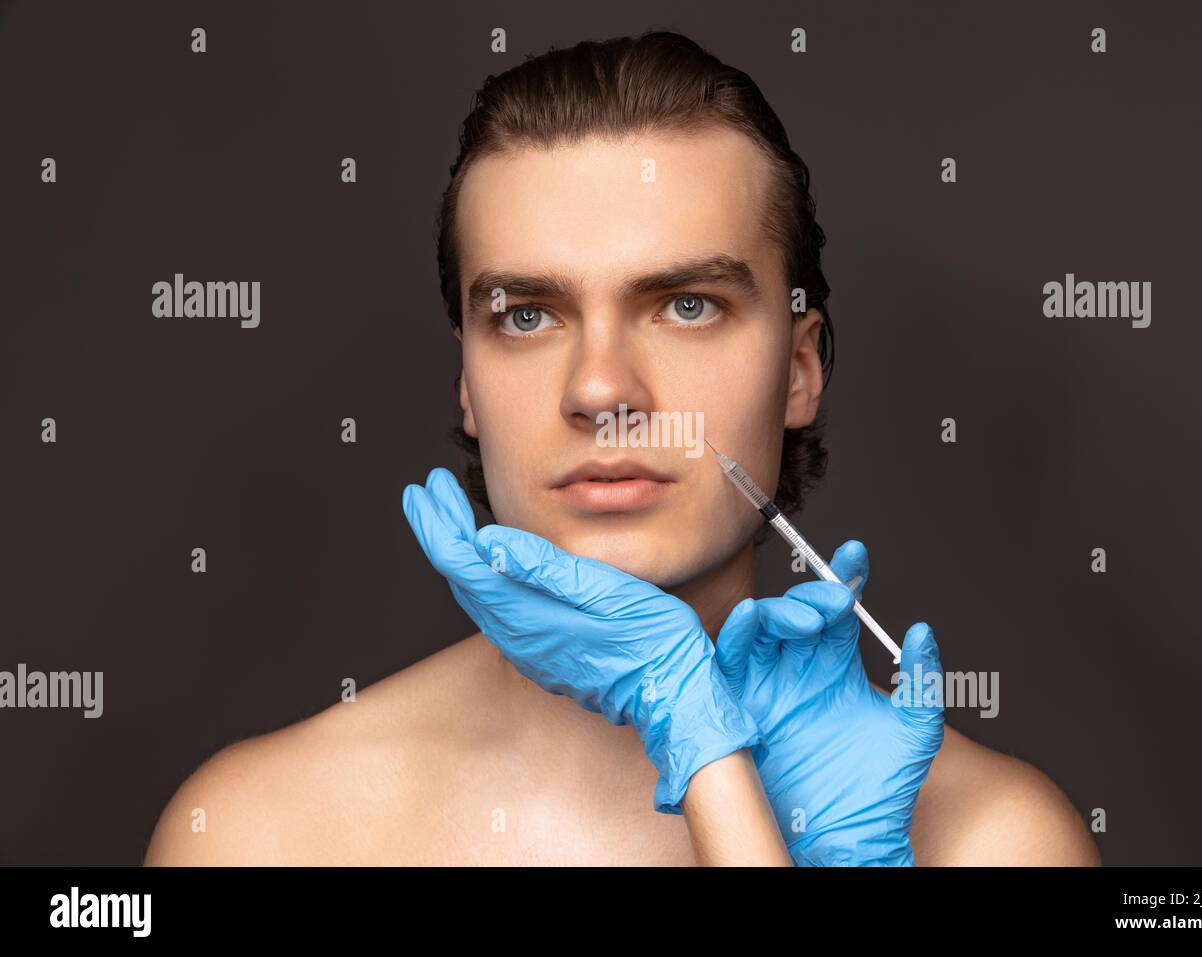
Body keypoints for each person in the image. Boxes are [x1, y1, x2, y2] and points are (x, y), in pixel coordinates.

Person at [145, 31, 1099, 866]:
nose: (600, 390)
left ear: (800, 370)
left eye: (688, 306)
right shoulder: (255, 832)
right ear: (467, 383)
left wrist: (734, 788)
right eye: (526, 315)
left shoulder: (993, 842)